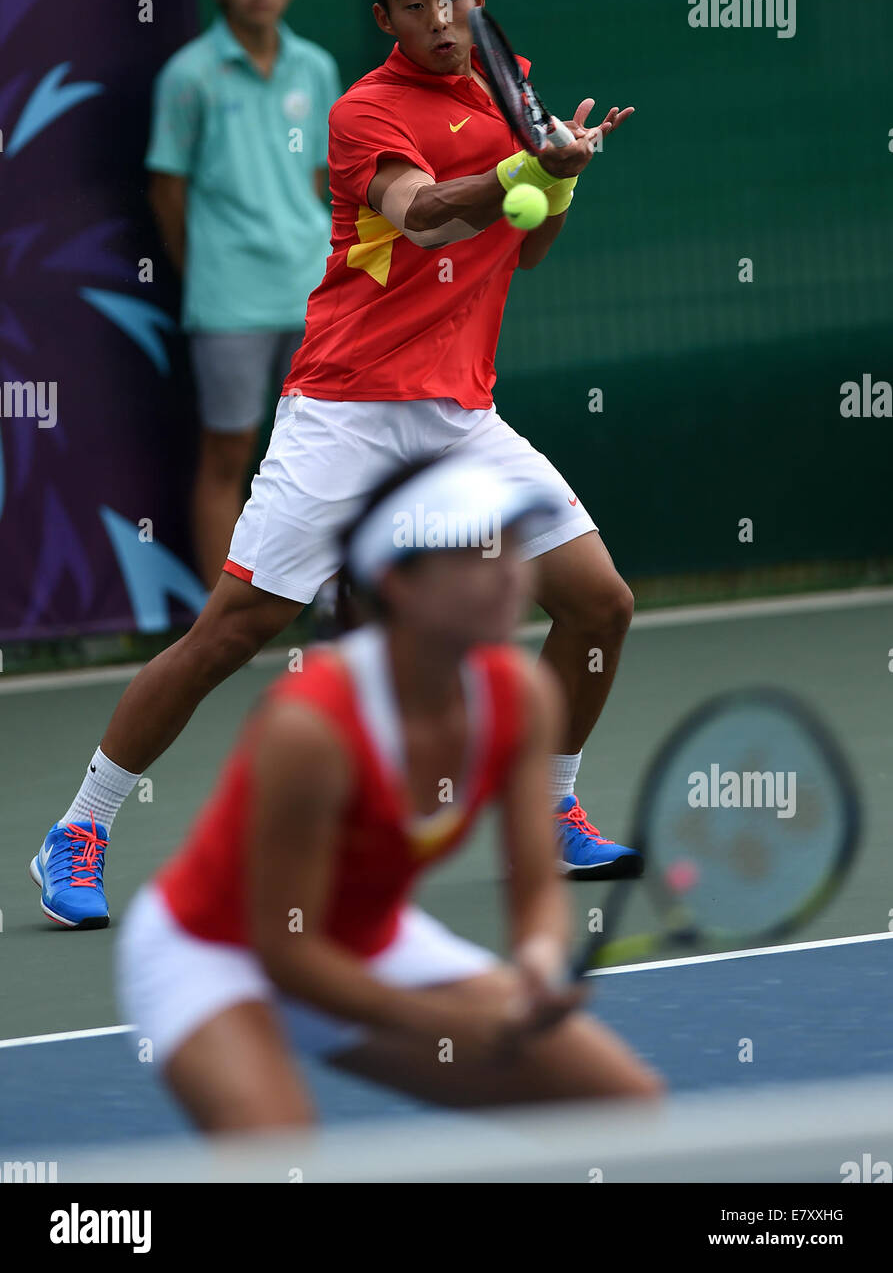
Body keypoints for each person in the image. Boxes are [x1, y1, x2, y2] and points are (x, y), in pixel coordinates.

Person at [32, 0, 639, 931]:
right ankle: (80, 826)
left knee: (599, 604)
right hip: (345, 407)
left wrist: (558, 179)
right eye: (414, 4)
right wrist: (520, 176)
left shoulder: (510, 87)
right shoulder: (363, 110)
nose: (439, 19)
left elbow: (522, 254)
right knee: (234, 630)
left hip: (459, 415)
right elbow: (426, 213)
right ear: (382, 17)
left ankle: (547, 806)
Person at [116, 456, 662, 1131]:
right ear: (397, 583)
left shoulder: (522, 697)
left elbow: (534, 887)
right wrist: (443, 1022)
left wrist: (537, 961)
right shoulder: (308, 729)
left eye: (511, 547)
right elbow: (284, 950)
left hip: (366, 943)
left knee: (623, 1104)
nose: (507, 571)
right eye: (472, 552)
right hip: (218, 954)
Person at [146, 0, 339, 588]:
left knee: (322, 454)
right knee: (228, 454)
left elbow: (318, 175)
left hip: (313, 288)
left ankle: (324, 602)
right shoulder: (188, 74)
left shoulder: (314, 67)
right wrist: (201, 271)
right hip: (228, 297)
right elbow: (167, 187)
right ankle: (219, 620)